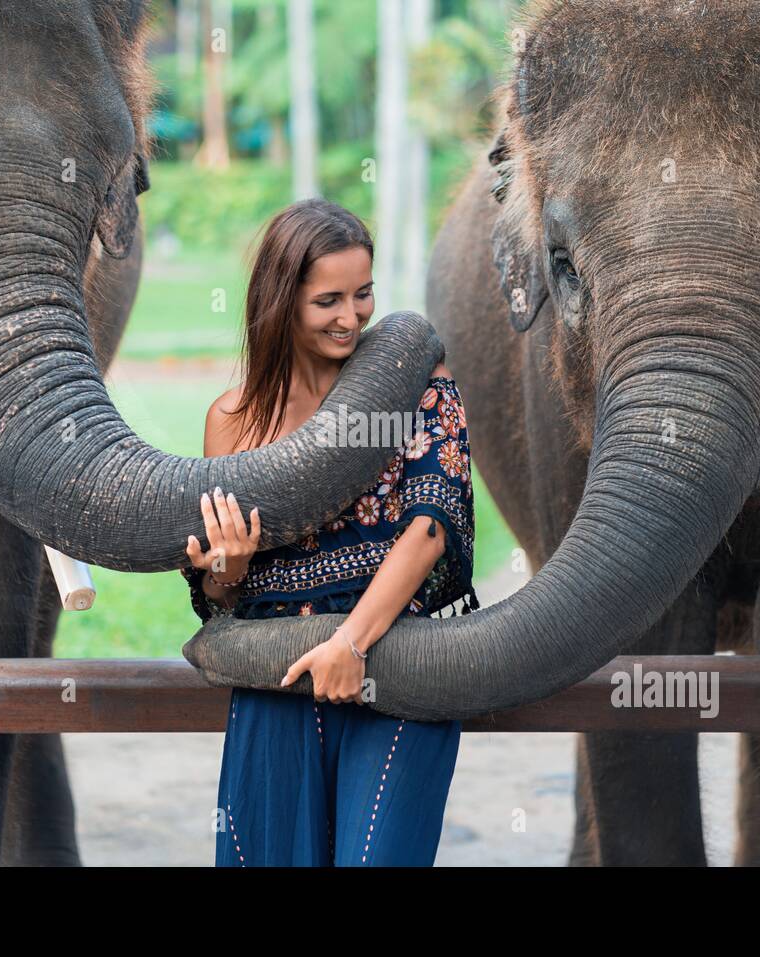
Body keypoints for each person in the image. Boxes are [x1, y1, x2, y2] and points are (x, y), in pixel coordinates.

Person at [180, 197, 479, 867]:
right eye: (329, 301)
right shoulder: (231, 419)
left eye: (364, 294)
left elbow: (431, 528)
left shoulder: (418, 386)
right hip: (277, 681)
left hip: (395, 667)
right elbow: (223, 594)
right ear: (282, 303)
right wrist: (226, 567)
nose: (351, 317)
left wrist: (351, 642)